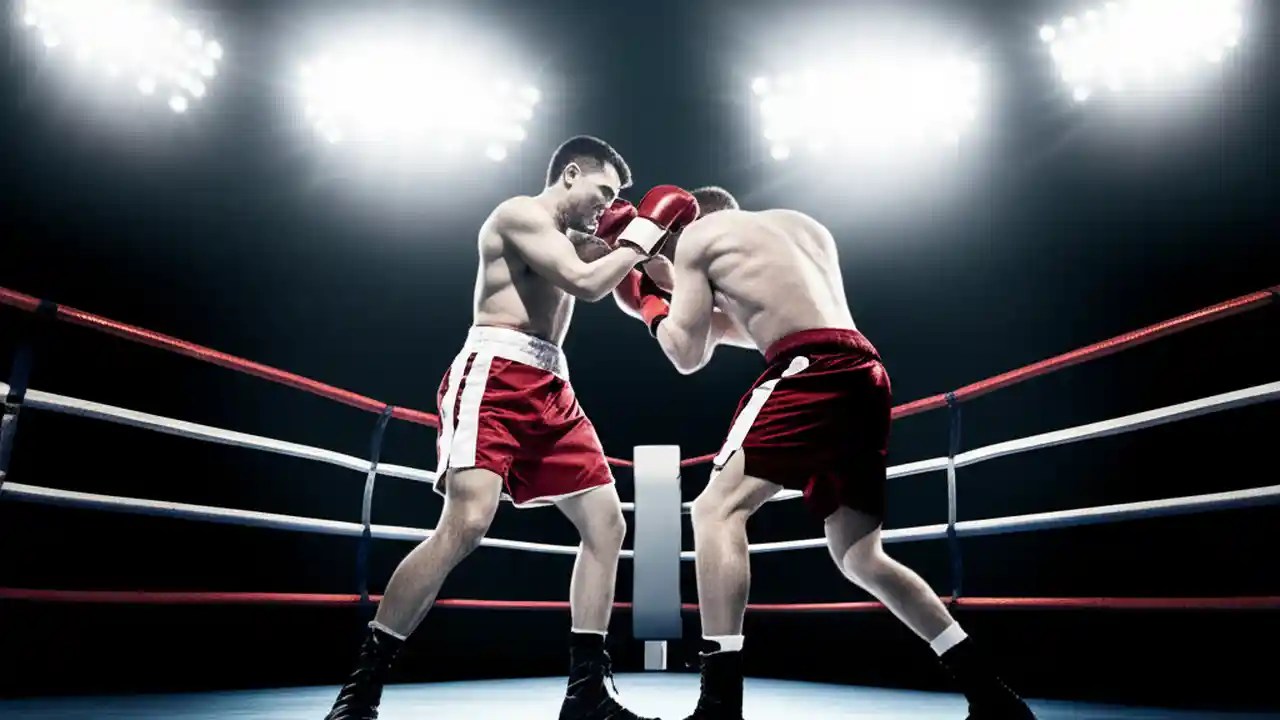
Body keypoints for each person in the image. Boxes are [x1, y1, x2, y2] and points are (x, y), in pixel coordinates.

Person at [613, 186, 1038, 720]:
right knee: (862, 557)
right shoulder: (799, 227)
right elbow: (742, 326)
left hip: (808, 369)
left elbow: (687, 353)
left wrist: (650, 307)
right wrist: (672, 289)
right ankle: (992, 694)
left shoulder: (696, 235)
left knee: (714, 510)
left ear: (685, 223)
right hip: (866, 373)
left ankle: (720, 704)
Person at [322, 135, 698, 720]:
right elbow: (586, 283)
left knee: (606, 524)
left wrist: (656, 241)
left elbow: (668, 286)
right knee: (466, 525)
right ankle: (361, 689)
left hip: (551, 386)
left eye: (615, 199)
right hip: (495, 372)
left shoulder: (581, 236)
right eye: (603, 191)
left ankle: (586, 694)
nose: (607, 205)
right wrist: (641, 232)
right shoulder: (518, 215)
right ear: (570, 175)